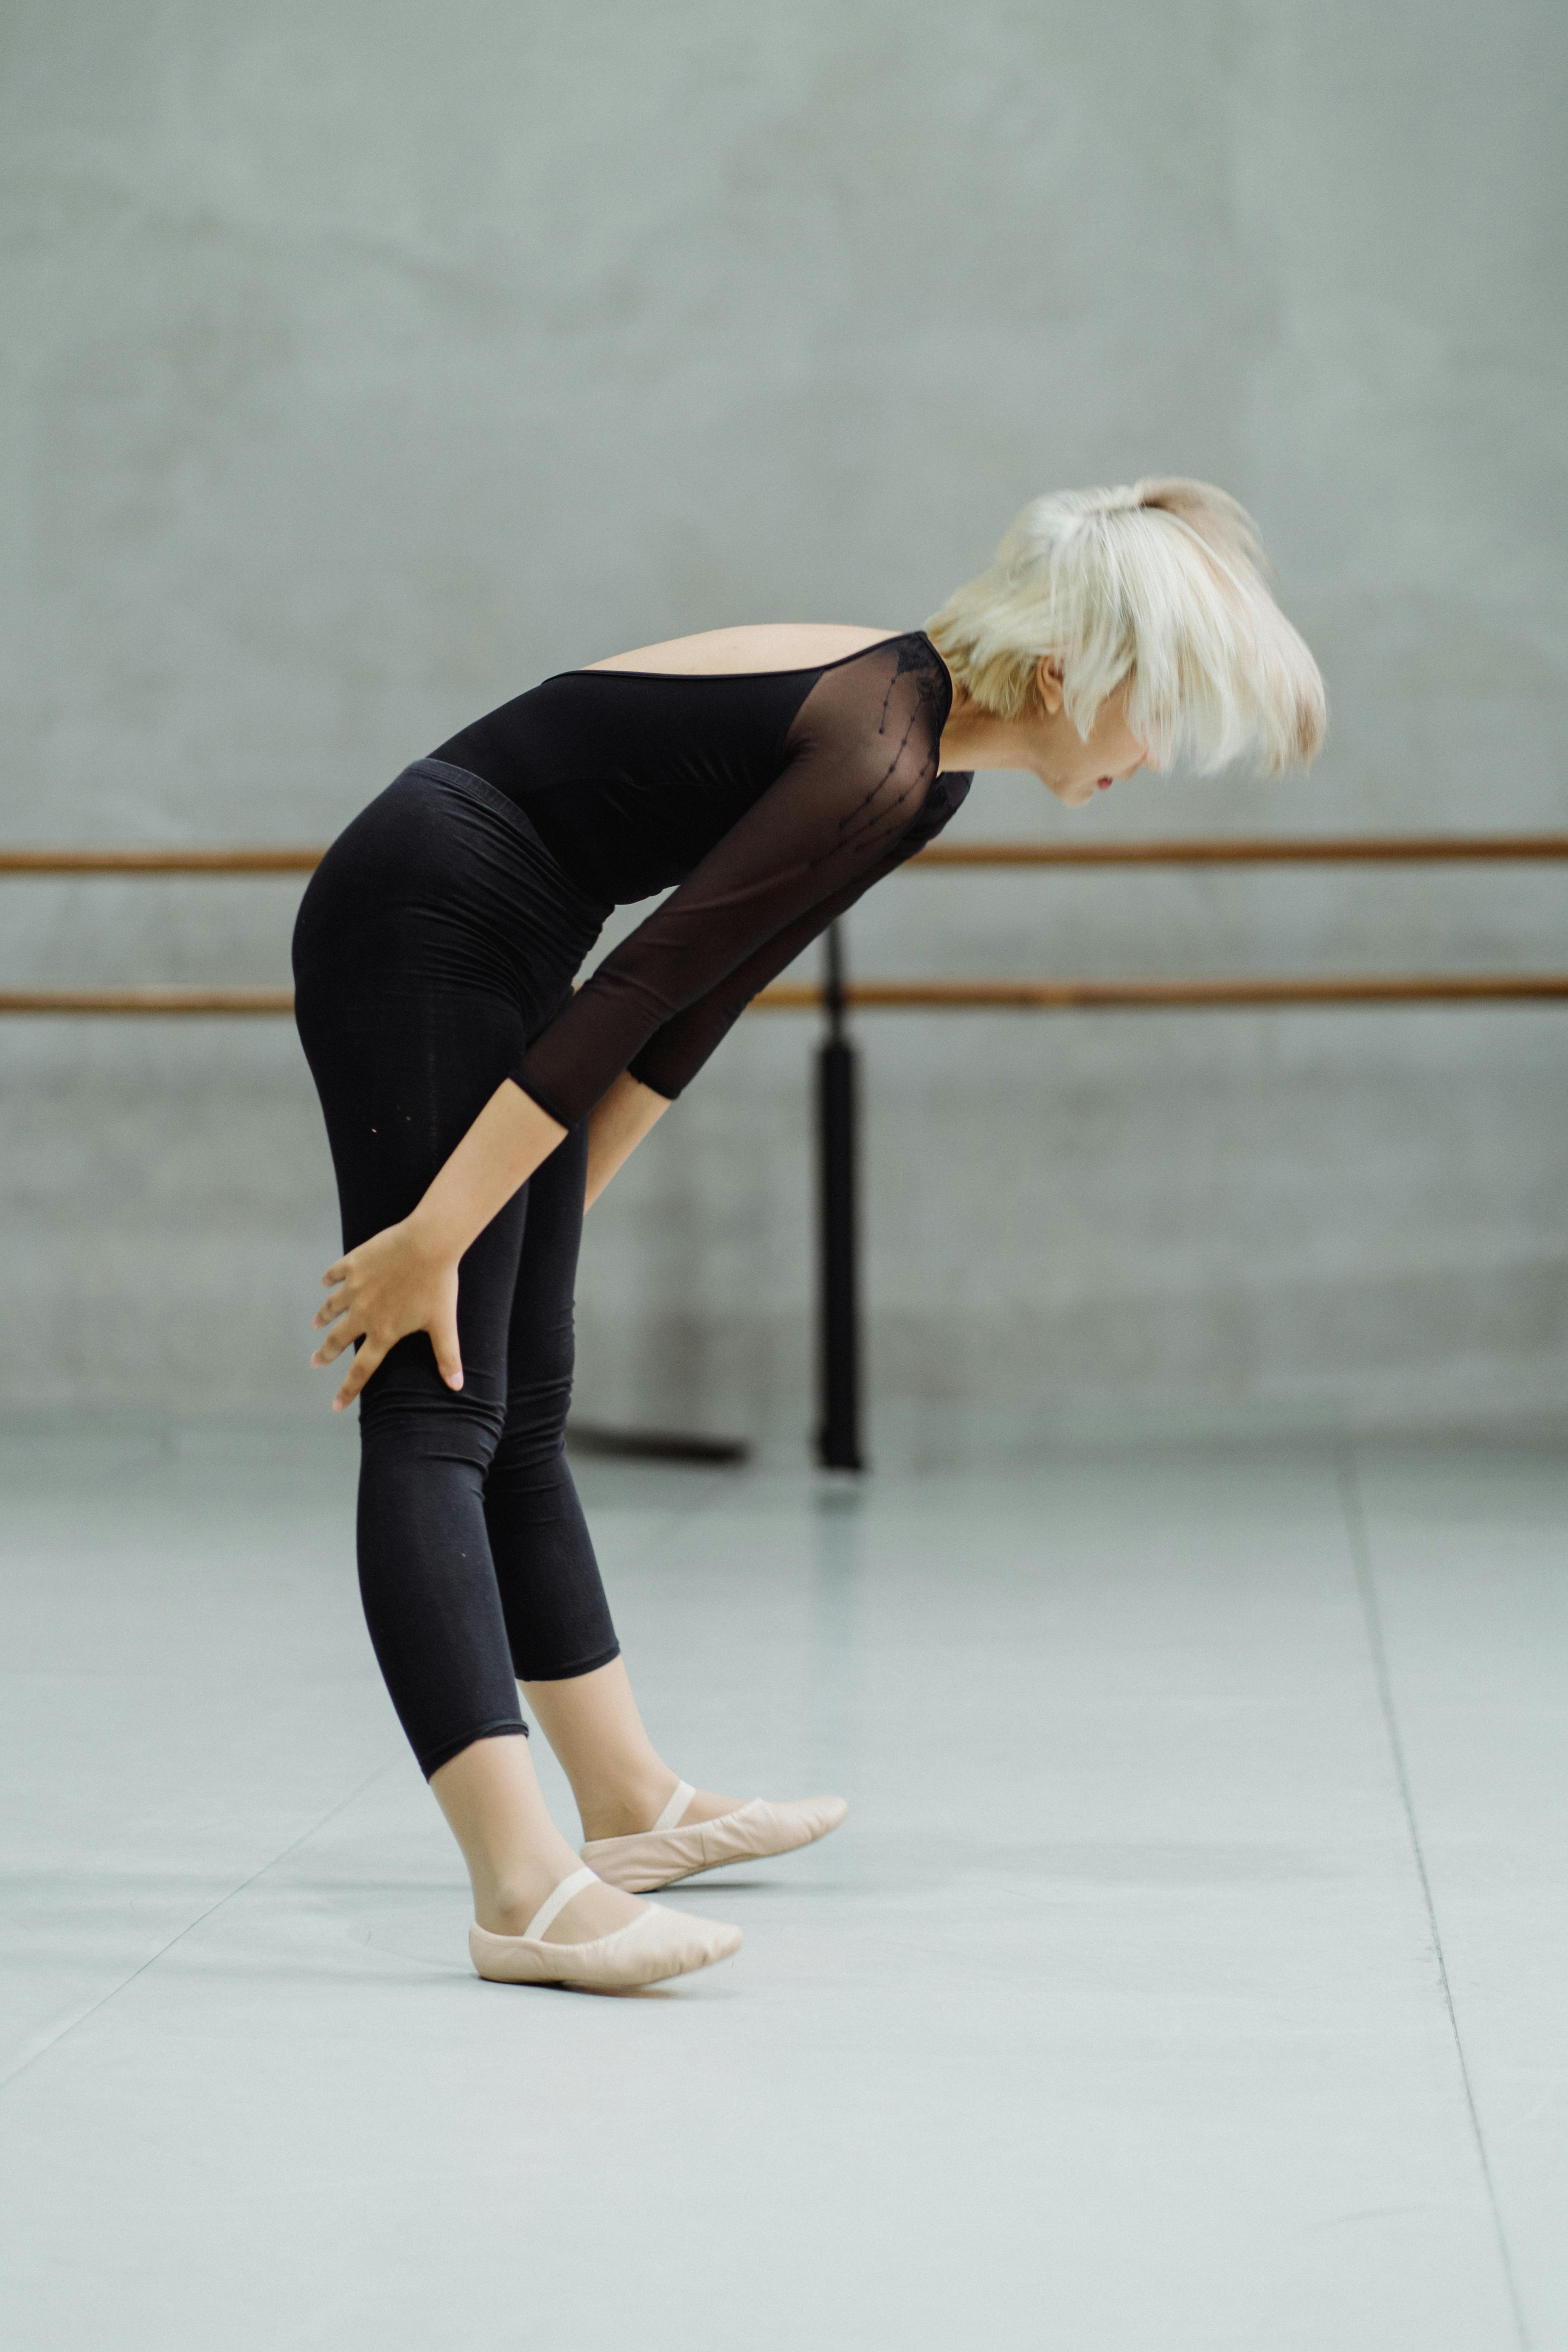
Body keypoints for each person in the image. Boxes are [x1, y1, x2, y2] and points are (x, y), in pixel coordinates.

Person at [291, 478, 1325, 1993]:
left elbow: (701, 1003)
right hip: (426, 914)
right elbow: (638, 989)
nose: (1153, 755)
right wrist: (439, 1230)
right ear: (1061, 681)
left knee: (525, 1398)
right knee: (437, 1402)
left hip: (513, 937)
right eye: (1151, 715)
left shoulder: (926, 763)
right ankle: (519, 1889)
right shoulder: (881, 751)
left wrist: (549, 1203)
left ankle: (626, 1807)